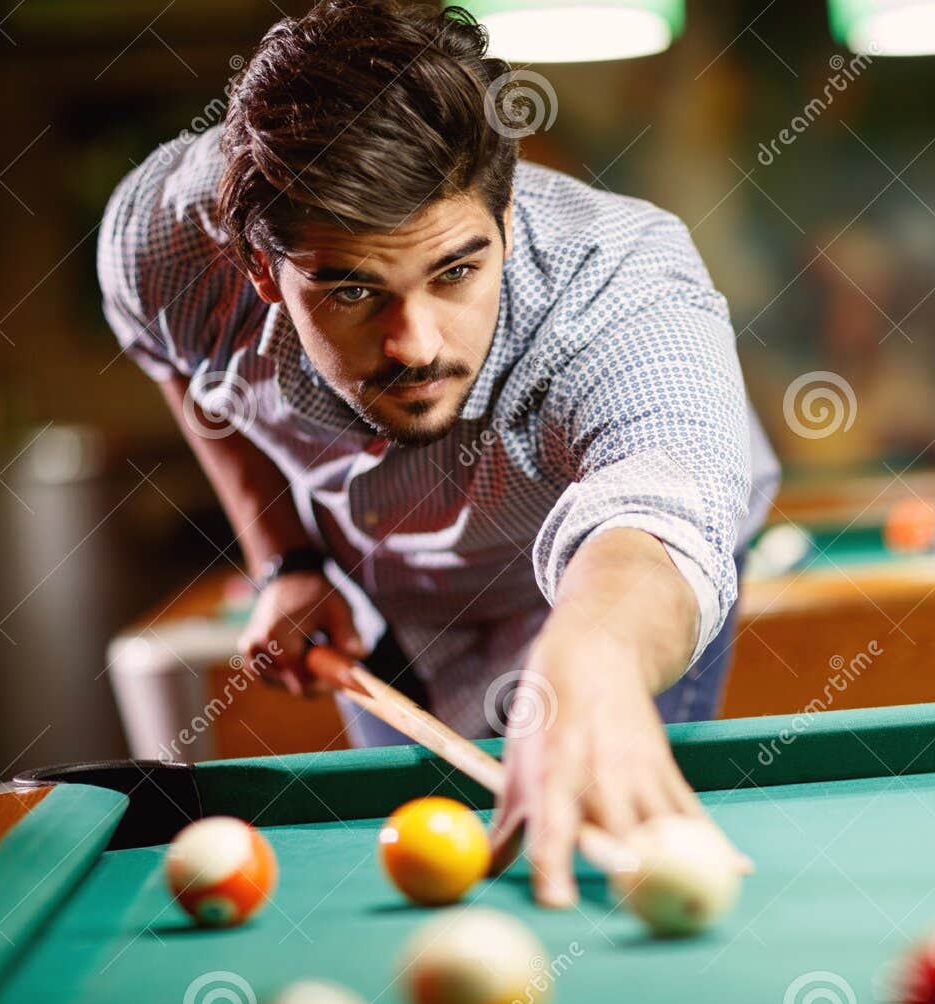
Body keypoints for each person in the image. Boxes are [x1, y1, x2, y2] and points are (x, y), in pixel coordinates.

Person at [97, 0, 777, 906]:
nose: (414, 342)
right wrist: (287, 563)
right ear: (263, 272)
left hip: (602, 594)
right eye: (352, 289)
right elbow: (175, 363)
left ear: (506, 205)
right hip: (391, 601)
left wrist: (594, 657)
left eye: (456, 270)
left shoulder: (621, 282)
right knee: (444, 875)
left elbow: (660, 513)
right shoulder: (169, 243)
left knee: (577, 874)